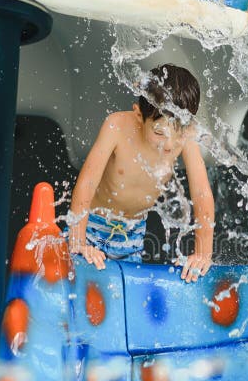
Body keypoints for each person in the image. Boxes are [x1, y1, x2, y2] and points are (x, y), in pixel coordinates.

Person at [68, 64, 215, 283]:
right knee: (76, 282)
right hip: (91, 225)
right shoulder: (117, 126)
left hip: (133, 233)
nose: (169, 145)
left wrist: (203, 254)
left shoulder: (186, 136)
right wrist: (78, 242)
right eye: (159, 133)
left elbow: (202, 192)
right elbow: (87, 182)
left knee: (124, 292)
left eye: (179, 133)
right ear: (139, 115)